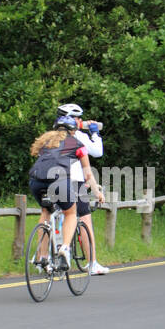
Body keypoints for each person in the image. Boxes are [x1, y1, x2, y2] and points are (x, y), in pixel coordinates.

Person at [28, 114, 105, 272]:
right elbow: (88, 174)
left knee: (45, 211)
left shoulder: (46, 141)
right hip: (59, 180)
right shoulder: (77, 143)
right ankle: (64, 249)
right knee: (70, 212)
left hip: (35, 181)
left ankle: (42, 258)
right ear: (73, 130)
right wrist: (97, 192)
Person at [58, 102, 109, 274]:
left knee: (48, 215)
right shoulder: (78, 135)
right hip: (75, 182)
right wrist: (95, 133)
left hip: (52, 179)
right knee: (84, 219)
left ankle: (42, 258)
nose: (81, 120)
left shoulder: (51, 135)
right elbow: (97, 152)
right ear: (72, 120)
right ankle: (92, 263)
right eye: (78, 117)